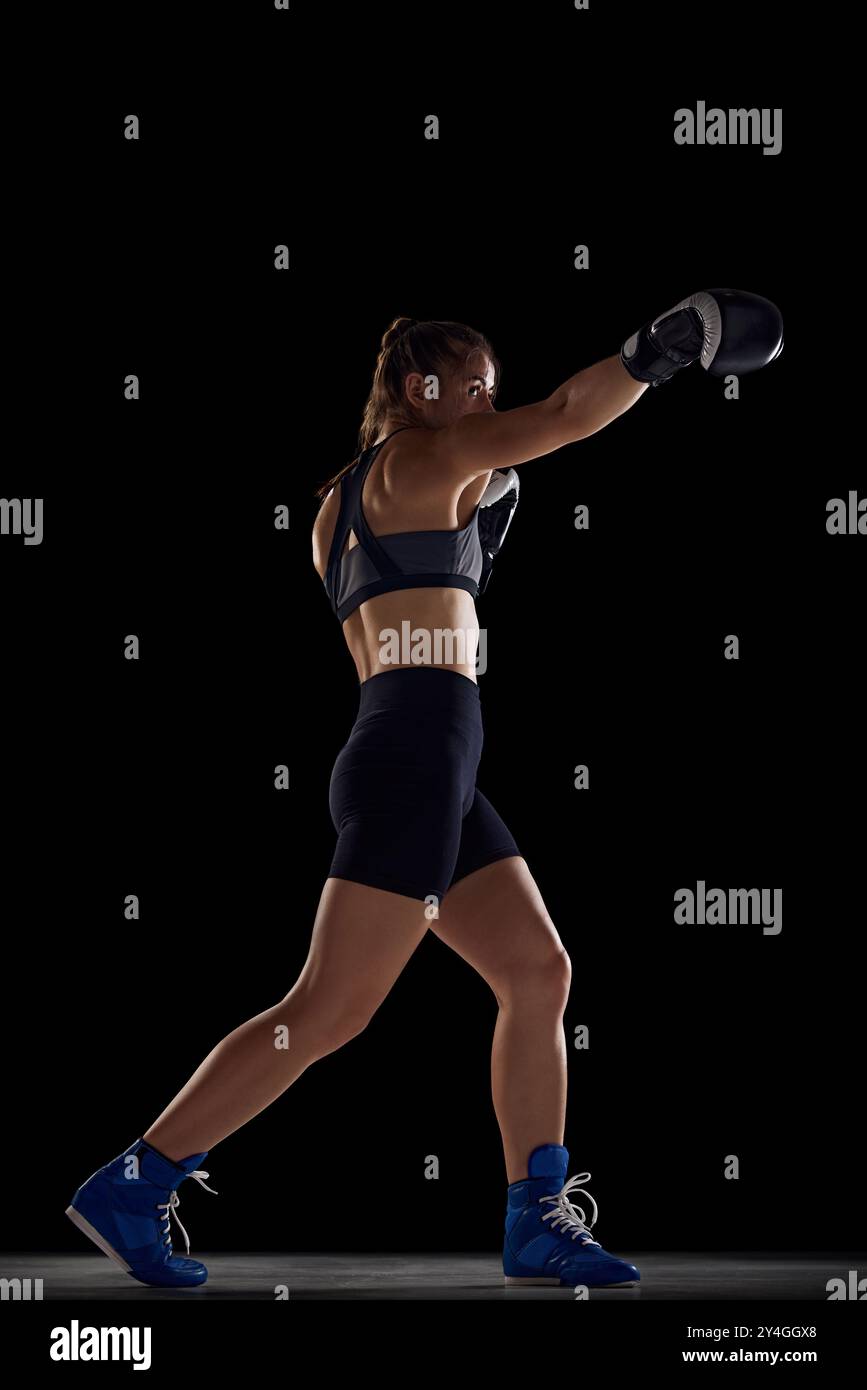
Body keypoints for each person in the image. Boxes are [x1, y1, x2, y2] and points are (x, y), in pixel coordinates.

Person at [65, 293, 783, 1290]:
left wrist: (477, 535)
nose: (492, 403)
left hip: (422, 757)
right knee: (324, 1011)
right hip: (413, 756)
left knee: (537, 971)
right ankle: (134, 1181)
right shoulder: (424, 458)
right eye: (477, 385)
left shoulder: (343, 503)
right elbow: (571, 413)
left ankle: (534, 1221)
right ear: (419, 388)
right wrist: (662, 348)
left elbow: (426, 592)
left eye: (495, 388)